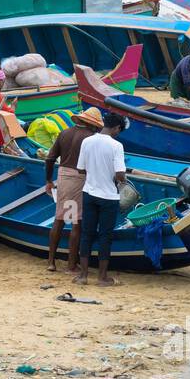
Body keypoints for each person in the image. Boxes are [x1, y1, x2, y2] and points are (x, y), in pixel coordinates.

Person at [44, 107, 102, 273]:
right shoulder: (91, 137)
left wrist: (48, 180)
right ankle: (70, 265)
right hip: (79, 179)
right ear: (93, 125)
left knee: (60, 218)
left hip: (62, 176)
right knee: (76, 222)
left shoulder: (65, 133)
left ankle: (51, 262)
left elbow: (50, 159)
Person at [74, 111, 128, 287]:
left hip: (89, 192)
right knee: (105, 236)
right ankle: (102, 278)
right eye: (120, 130)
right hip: (108, 197)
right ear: (117, 128)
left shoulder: (87, 141)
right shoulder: (116, 146)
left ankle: (83, 276)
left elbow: (81, 169)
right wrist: (123, 180)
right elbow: (120, 174)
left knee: (86, 234)